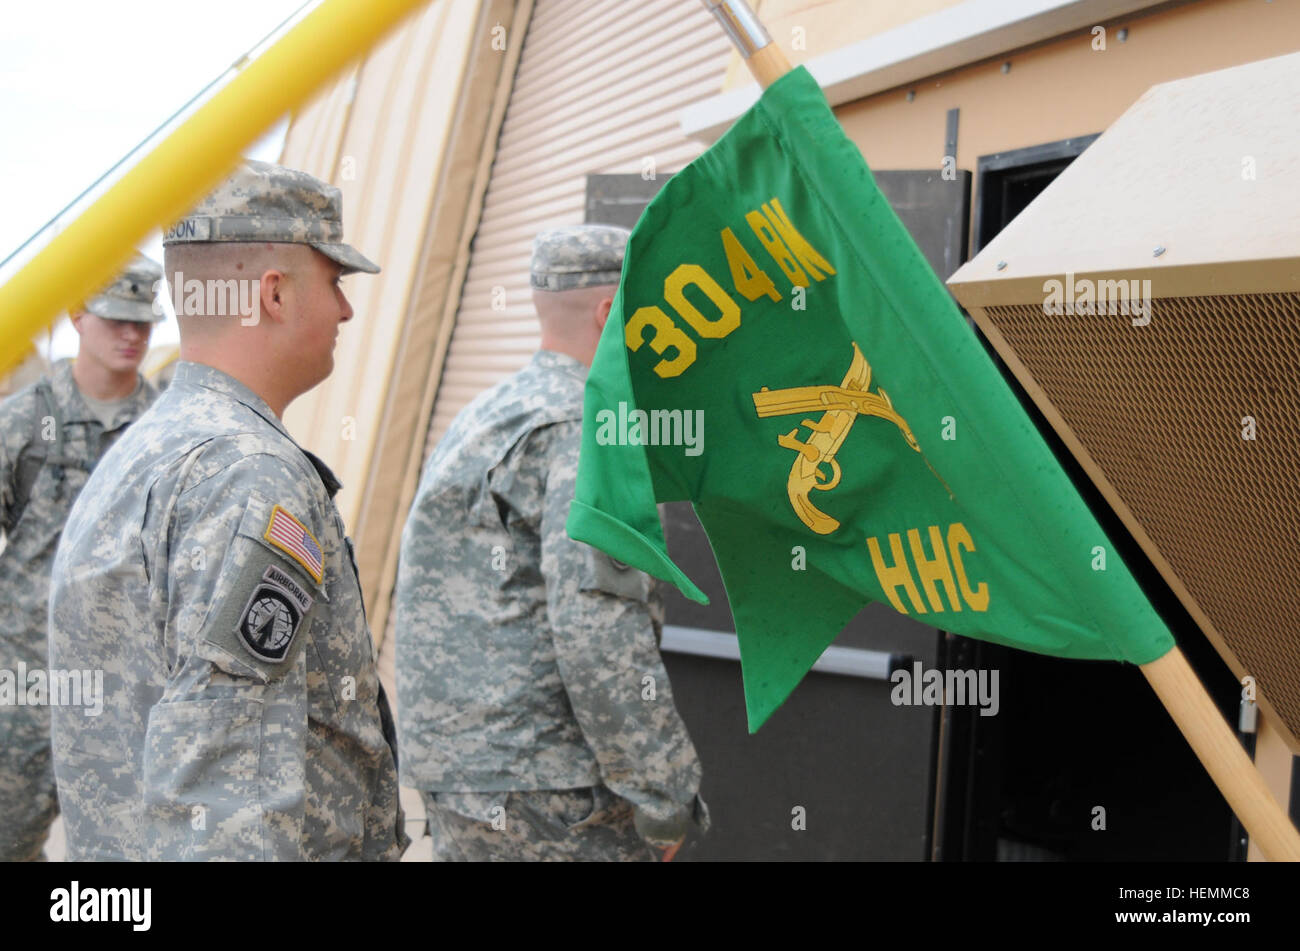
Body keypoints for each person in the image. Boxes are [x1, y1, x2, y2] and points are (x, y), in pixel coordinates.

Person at [47, 160, 407, 861]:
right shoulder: (245, 471)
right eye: (335, 281)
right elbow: (225, 795)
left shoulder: (146, 443)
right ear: (273, 294)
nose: (346, 310)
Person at [394, 224, 708, 862]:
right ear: (609, 313)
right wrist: (664, 793)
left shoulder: (488, 413)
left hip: (465, 774)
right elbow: (598, 632)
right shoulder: (586, 426)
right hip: (552, 791)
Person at [0, 255, 161, 861]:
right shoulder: (21, 422)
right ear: (76, 315)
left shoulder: (166, 429)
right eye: (116, 318)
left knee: (119, 861)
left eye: (143, 322)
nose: (132, 335)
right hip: (23, 686)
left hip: (127, 693)